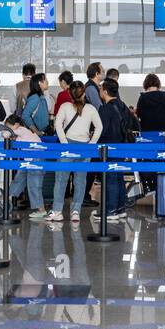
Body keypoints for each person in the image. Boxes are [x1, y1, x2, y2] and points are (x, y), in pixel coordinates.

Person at [51, 80, 102, 222]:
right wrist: (92, 144)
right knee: (80, 181)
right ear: (84, 93)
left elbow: (58, 124)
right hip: (85, 148)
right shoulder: (91, 108)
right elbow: (99, 127)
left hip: (67, 146)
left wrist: (64, 143)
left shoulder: (65, 106)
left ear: (70, 93)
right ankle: (75, 211)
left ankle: (57, 211)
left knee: (61, 179)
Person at [97, 78, 129, 221]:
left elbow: (101, 130)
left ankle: (110, 210)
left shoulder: (105, 108)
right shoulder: (123, 106)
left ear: (104, 91)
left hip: (109, 146)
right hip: (123, 145)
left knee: (110, 177)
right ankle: (120, 208)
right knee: (118, 176)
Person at [5, 113, 47, 219]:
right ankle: (8, 197)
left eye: (9, 126)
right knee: (20, 178)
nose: (8, 129)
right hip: (31, 159)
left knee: (34, 184)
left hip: (36, 158)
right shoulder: (22, 132)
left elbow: (5, 134)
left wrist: (5, 131)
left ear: (16, 124)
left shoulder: (22, 130)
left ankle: (41, 210)